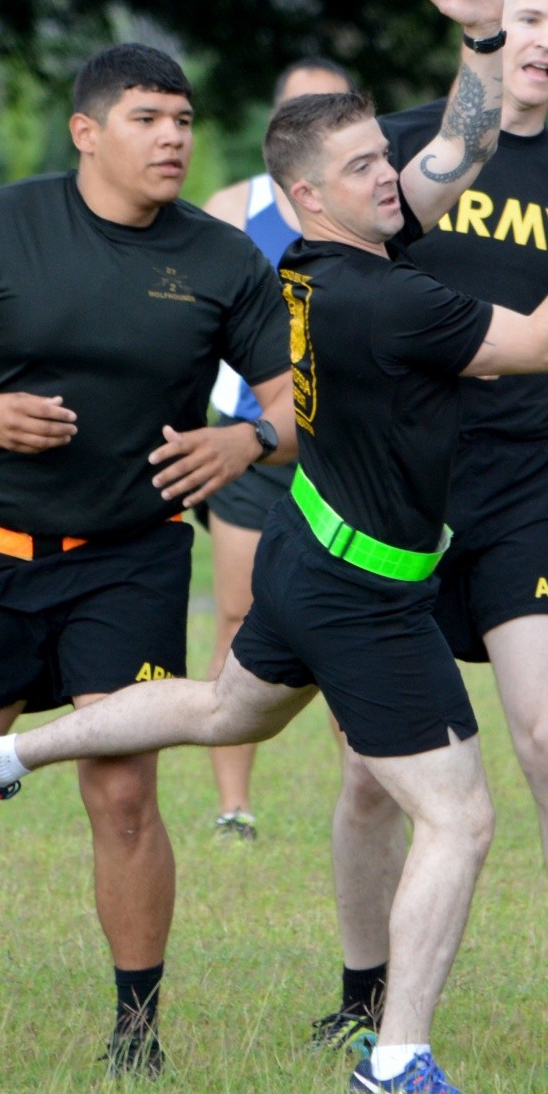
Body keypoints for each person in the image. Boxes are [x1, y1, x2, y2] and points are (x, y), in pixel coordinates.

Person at [0, 98, 548, 1094]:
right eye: (364, 167)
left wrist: (479, 54)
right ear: (306, 196)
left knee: (219, 708)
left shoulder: (313, 266)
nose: (392, 175)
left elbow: (438, 169)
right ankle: (395, 1057)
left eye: (387, 156)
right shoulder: (386, 301)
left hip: (302, 545)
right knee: (459, 821)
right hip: (362, 589)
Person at [0, 43, 297, 1073]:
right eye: (149, 119)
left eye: (184, 121)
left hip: (130, 559)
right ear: (87, 132)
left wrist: (246, 439)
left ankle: (136, 1035)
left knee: (122, 795)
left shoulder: (220, 258)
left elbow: (296, 400)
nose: (172, 138)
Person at [313, 0, 548, 1071]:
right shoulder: (409, 149)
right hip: (394, 496)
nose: (547, 43)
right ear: (489, 24)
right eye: (528, 19)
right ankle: (365, 996)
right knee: (373, 774)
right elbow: (417, 192)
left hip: (520, 492)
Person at [197, 56, 359, 843]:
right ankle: (234, 807)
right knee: (236, 611)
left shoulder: (373, 206)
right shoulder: (234, 209)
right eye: (297, 110)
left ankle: (366, 791)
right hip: (251, 451)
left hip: (340, 457)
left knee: (352, 625)